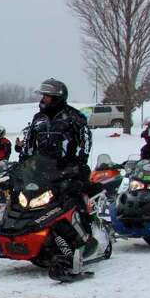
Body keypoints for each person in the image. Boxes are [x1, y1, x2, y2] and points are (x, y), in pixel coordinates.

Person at [23, 78, 93, 278]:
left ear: (57, 97)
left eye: (47, 96)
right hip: (43, 170)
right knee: (32, 202)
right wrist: (24, 165)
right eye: (42, 96)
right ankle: (35, 240)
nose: (43, 99)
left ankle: (85, 238)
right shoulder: (38, 118)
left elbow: (85, 142)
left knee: (73, 200)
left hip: (68, 169)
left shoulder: (74, 117)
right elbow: (29, 145)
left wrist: (78, 164)